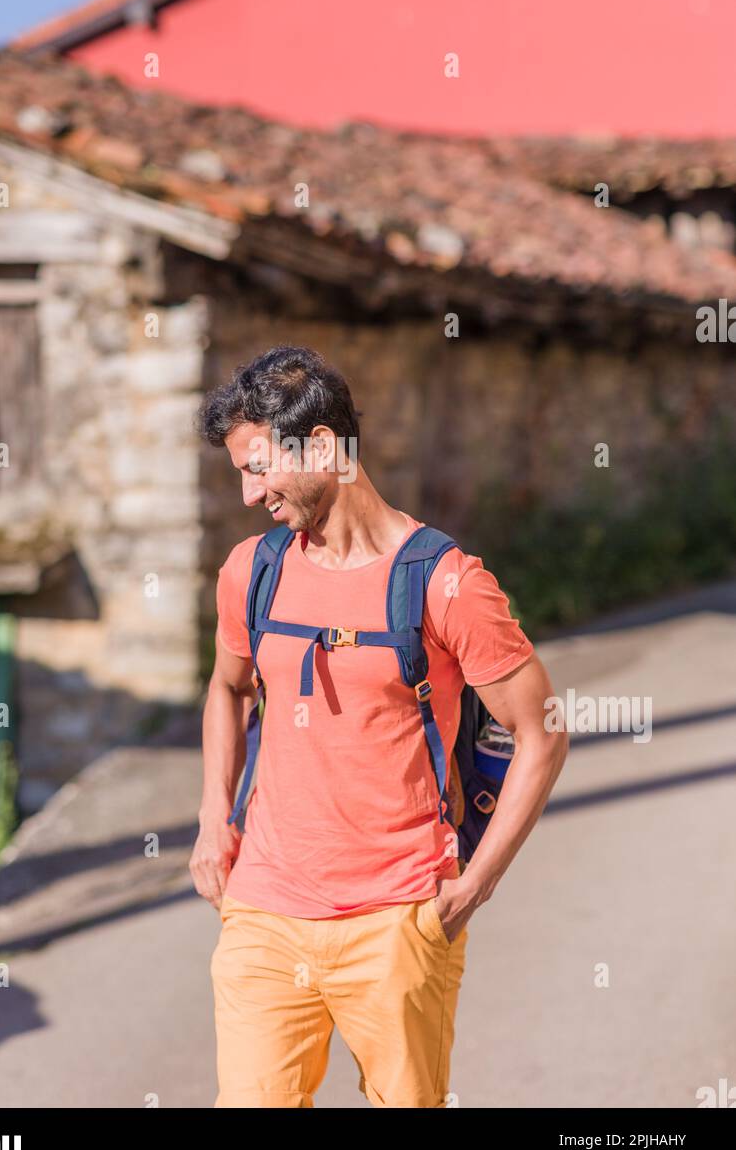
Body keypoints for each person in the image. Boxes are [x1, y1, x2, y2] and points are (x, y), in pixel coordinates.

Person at [190, 345, 567, 1108]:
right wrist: (210, 820)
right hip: (264, 910)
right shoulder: (251, 571)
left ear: (324, 448)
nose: (248, 492)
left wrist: (474, 889)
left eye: (258, 467)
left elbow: (542, 731)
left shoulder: (446, 582)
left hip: (398, 917)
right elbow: (229, 690)